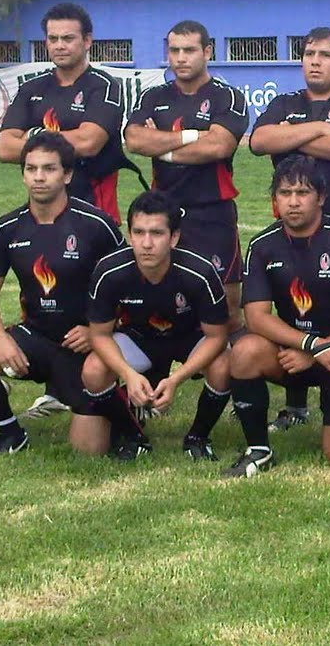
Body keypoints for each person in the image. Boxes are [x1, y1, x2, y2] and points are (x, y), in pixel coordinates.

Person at [0, 132, 129, 456]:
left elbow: (130, 285)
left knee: (88, 451)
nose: (39, 177)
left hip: (83, 342)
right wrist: (0, 338)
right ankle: (10, 433)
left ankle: (121, 406)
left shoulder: (96, 224)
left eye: (48, 169)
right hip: (34, 335)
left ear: (67, 174)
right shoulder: (8, 227)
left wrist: (100, 330)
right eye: (31, 169)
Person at [221, 156, 330, 476]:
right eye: (285, 193)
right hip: (295, 352)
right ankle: (259, 450)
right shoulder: (263, 245)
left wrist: (321, 350)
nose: (293, 202)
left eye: (302, 193)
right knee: (245, 351)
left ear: (321, 197)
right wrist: (310, 346)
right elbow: (257, 316)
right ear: (274, 200)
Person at [83, 191, 231, 461]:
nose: (146, 243)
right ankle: (134, 436)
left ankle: (198, 437)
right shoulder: (109, 271)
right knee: (93, 370)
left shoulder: (200, 272)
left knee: (223, 364)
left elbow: (217, 337)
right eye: (138, 232)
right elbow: (99, 335)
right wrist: (128, 374)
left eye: (157, 233)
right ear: (129, 235)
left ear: (174, 237)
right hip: (139, 339)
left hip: (189, 338)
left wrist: (176, 379)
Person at [125, 20, 250, 329]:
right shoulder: (152, 97)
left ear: (207, 51)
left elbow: (219, 146)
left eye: (189, 50)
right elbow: (134, 140)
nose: (181, 58)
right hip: (162, 213)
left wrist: (160, 145)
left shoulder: (227, 97)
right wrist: (195, 136)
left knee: (227, 307)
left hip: (212, 213)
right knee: (162, 297)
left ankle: (228, 373)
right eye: (174, 50)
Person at [0, 2, 131, 222]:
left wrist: (32, 135)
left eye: (68, 38)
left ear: (87, 41)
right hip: (43, 212)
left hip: (95, 211)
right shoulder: (31, 88)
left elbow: (88, 143)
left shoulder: (104, 86)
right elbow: (4, 148)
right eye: (53, 39)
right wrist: (68, 137)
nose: (59, 46)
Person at [250, 27, 330, 237]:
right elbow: (258, 142)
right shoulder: (283, 102)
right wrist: (321, 128)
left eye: (325, 55)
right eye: (309, 54)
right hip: (291, 226)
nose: (315, 61)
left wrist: (288, 134)